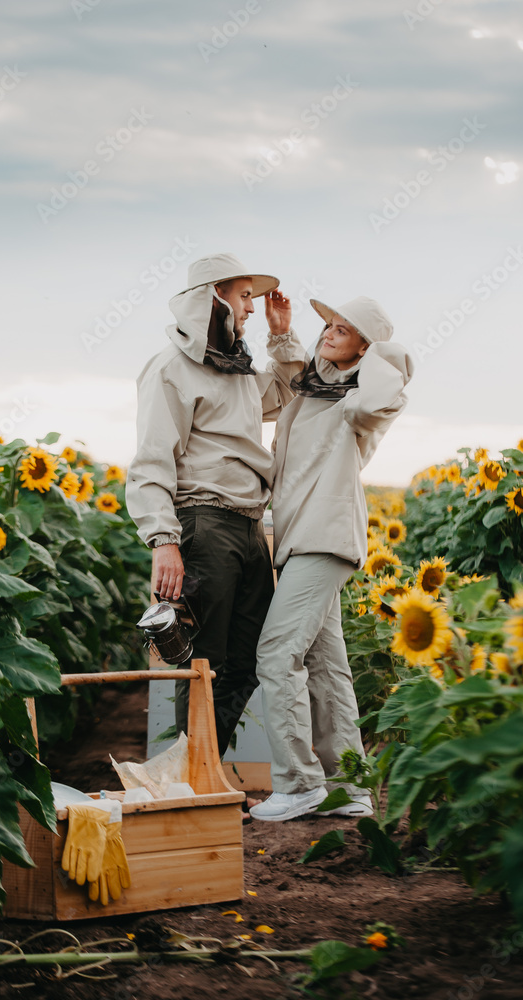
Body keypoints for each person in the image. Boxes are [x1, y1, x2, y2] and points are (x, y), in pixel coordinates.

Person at [126, 252, 304, 756]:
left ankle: (201, 771)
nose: (252, 306)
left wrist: (282, 334)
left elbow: (288, 391)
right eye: (245, 295)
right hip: (203, 525)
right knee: (201, 665)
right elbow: (151, 459)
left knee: (248, 664)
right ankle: (191, 785)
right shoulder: (169, 368)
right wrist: (164, 541)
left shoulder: (239, 367)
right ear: (213, 297)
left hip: (249, 529)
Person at [250, 296, 413, 822]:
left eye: (345, 330)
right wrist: (281, 333)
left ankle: (298, 783)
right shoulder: (316, 387)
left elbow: (376, 397)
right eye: (330, 325)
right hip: (299, 538)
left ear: (365, 348)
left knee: (277, 654)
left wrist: (382, 356)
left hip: (325, 538)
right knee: (327, 666)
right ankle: (351, 787)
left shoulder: (362, 399)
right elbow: (293, 373)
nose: (330, 333)